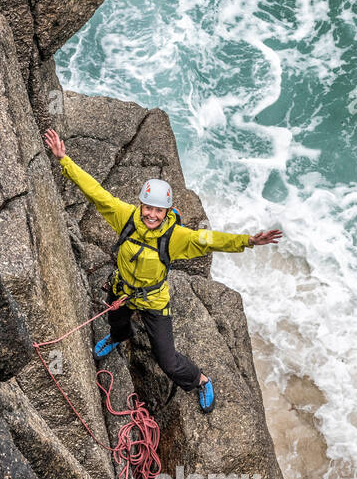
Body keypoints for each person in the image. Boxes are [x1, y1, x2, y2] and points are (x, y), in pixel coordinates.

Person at [43, 128, 282, 412]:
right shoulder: (126, 217)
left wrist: (248, 241)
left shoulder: (176, 236)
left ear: (167, 212)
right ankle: (120, 337)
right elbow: (97, 193)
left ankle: (201, 380)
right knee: (117, 322)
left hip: (153, 300)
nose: (152, 215)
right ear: (141, 205)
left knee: (166, 359)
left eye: (159, 210)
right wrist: (64, 160)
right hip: (121, 290)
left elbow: (208, 239)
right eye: (148, 208)